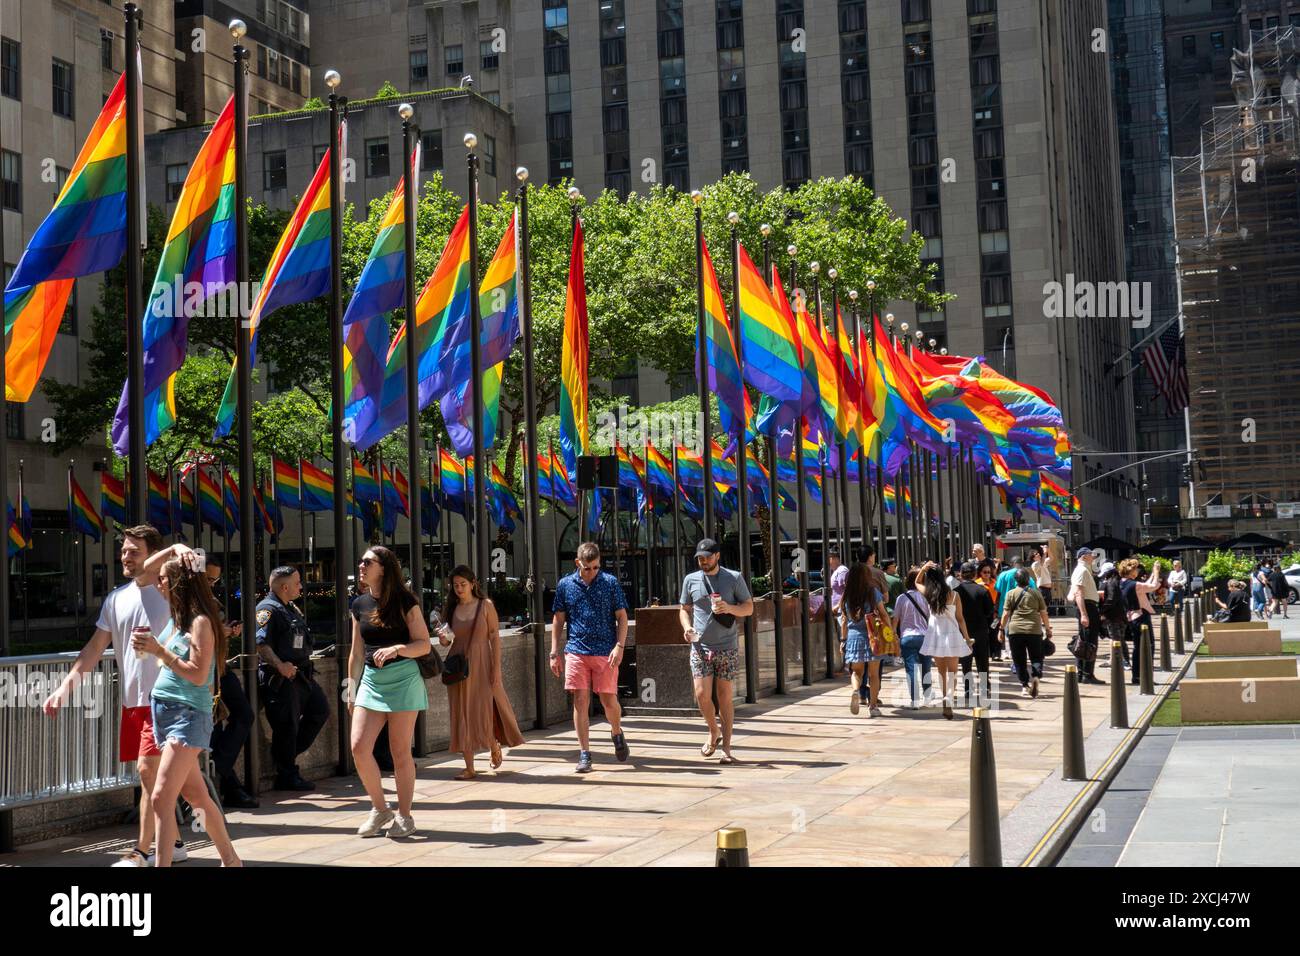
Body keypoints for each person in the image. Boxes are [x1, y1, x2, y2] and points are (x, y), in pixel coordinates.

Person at [42, 525, 190, 867]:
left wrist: (176, 548)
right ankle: (178, 843)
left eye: (134, 551)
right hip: (133, 703)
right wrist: (65, 687)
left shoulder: (170, 592)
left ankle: (141, 850)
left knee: (148, 771)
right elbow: (94, 649)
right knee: (164, 781)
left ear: (152, 554)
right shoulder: (116, 599)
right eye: (123, 550)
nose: (126, 556)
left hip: (166, 699)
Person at [131, 543, 241, 867]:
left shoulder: (200, 623)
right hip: (166, 715)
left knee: (162, 798)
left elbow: (196, 674)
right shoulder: (179, 618)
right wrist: (175, 548)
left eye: (165, 579)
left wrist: (159, 650)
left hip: (187, 716)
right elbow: (143, 571)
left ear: (177, 583)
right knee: (197, 797)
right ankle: (232, 861)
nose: (158, 583)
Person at [348, 545, 432, 838]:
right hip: (371, 681)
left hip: (403, 679)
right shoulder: (358, 604)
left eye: (367, 561)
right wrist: (350, 687)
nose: (361, 565)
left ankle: (405, 816)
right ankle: (380, 809)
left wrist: (398, 648)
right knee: (358, 747)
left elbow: (424, 644)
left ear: (383, 568)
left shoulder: (405, 601)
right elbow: (356, 652)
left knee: (399, 752)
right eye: (361, 561)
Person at [437, 564, 525, 778]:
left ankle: (492, 743)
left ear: (473, 583)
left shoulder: (485, 605)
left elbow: (494, 637)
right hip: (459, 666)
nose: (459, 588)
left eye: (463, 584)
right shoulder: (451, 607)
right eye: (455, 585)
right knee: (461, 713)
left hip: (482, 663)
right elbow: (447, 643)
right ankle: (469, 767)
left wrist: (496, 669)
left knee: (482, 709)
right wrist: (442, 638)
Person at [550, 542, 631, 773]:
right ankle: (584, 753)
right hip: (576, 650)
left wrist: (620, 646)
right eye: (587, 568)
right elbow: (558, 620)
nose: (592, 572)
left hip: (605, 652)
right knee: (580, 701)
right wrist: (554, 652)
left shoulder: (610, 583)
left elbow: (622, 617)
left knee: (608, 701)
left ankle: (616, 731)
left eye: (596, 567)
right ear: (578, 563)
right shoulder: (566, 585)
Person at [679, 538, 754, 764]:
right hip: (699, 646)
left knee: (724, 697)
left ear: (717, 556)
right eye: (700, 558)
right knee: (701, 694)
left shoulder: (733, 578)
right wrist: (687, 626)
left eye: (708, 557)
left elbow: (749, 607)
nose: (704, 561)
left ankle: (727, 749)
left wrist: (729, 607)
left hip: (727, 646)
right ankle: (713, 731)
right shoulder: (690, 580)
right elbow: (684, 609)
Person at [256, 565, 330, 792]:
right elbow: (260, 643)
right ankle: (287, 773)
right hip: (282, 678)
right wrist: (279, 665)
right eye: (298, 582)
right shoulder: (267, 609)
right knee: (287, 726)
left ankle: (283, 756)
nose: (301, 586)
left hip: (302, 675)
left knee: (320, 711)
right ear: (284, 586)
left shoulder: (289, 607)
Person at [196, 558, 257, 810]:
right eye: (208, 579)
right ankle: (226, 783)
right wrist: (224, 631)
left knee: (242, 716)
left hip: (220, 666)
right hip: (204, 670)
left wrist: (228, 630)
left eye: (215, 580)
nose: (211, 584)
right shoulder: (189, 600)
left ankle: (219, 772)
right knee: (216, 727)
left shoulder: (210, 599)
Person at [916, 562, 973, 719]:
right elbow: (960, 619)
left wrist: (924, 568)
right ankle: (949, 695)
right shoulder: (954, 595)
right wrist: (967, 638)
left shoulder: (929, 593)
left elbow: (916, 582)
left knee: (941, 672)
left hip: (936, 636)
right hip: (953, 635)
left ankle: (944, 697)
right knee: (953, 671)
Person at [999, 567, 1051, 698]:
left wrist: (1001, 629)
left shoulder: (1010, 593)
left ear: (1015, 580)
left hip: (1015, 630)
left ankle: (1025, 685)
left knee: (1019, 659)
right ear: (1028, 579)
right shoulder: (1036, 593)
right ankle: (1036, 676)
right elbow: (1043, 613)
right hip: (1034, 629)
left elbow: (1006, 614)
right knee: (1036, 657)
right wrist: (1048, 629)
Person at [955, 560, 997, 707]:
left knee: (966, 662)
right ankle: (985, 688)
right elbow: (989, 611)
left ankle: (968, 689)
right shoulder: (982, 590)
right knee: (982, 661)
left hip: (963, 632)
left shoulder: (956, 592)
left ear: (961, 574)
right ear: (974, 574)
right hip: (981, 631)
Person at [891, 569, 933, 709]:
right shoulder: (926, 597)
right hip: (924, 637)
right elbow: (931, 618)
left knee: (911, 670)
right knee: (926, 669)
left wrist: (894, 636)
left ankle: (915, 700)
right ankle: (927, 698)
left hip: (907, 638)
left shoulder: (901, 598)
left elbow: (895, 620)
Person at [1119, 558, 1161, 686]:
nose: (1137, 570)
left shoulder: (1122, 583)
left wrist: (1153, 574)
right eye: (1136, 568)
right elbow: (1153, 586)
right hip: (1141, 616)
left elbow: (1146, 586)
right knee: (1148, 646)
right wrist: (1156, 571)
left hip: (1131, 617)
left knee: (1138, 648)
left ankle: (1137, 676)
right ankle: (1145, 676)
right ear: (1131, 571)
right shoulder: (1134, 585)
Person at [1068, 547, 1104, 684]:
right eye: (1090, 556)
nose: (1093, 558)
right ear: (1083, 557)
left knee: (1085, 641)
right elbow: (1078, 593)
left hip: (1088, 605)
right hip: (1087, 607)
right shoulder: (1082, 570)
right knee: (1089, 642)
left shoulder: (1083, 570)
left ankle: (1083, 673)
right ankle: (1086, 674)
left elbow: (1073, 593)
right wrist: (1083, 614)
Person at [1097, 561, 1130, 667]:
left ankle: (1121, 662)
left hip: (1113, 615)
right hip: (1121, 614)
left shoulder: (1111, 582)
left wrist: (1102, 610)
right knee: (1121, 638)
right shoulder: (1120, 580)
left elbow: (1111, 599)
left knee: (1116, 638)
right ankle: (1124, 661)